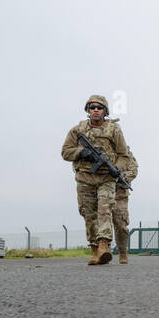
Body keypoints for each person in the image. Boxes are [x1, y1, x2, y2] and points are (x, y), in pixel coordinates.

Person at [60, 94, 133, 266]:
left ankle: (104, 246)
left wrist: (116, 169)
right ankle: (95, 250)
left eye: (99, 107)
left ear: (105, 111)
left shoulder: (114, 130)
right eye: (92, 107)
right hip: (85, 178)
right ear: (87, 110)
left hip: (106, 178)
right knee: (89, 214)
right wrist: (81, 152)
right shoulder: (77, 130)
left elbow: (124, 156)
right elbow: (65, 152)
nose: (95, 110)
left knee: (105, 210)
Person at [111, 134, 138, 264]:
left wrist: (119, 176)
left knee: (121, 225)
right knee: (98, 223)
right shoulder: (101, 148)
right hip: (99, 191)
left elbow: (133, 170)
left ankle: (122, 252)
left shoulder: (126, 152)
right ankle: (99, 250)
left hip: (120, 193)